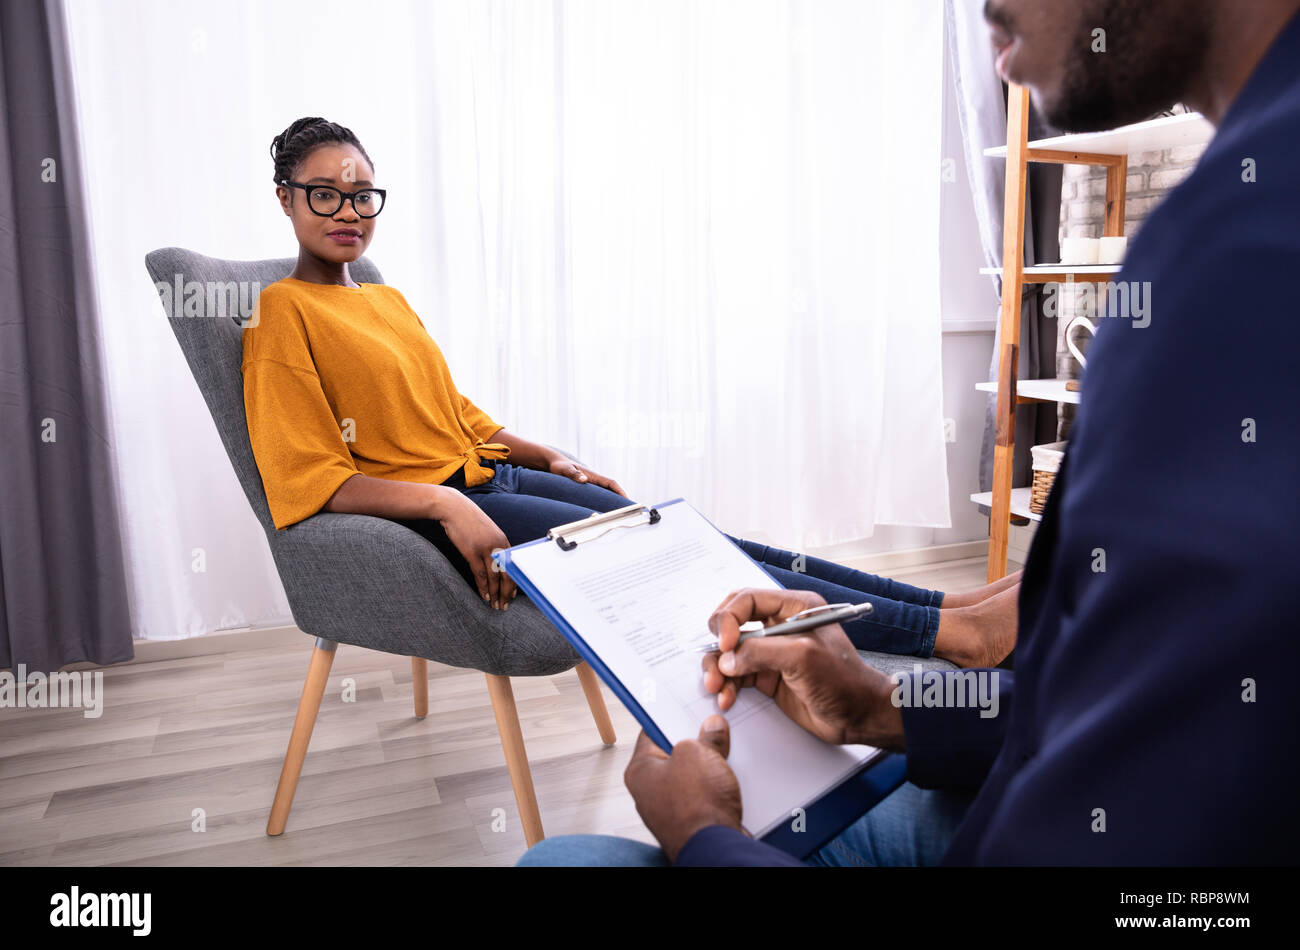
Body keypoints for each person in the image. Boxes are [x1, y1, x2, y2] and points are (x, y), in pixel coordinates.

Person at [517, 0, 1300, 867]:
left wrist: (709, 841)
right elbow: (1116, 716)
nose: (982, 15)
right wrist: (880, 708)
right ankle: (956, 632)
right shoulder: (1239, 216)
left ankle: (957, 632)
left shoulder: (1241, 260)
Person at [241, 117, 1021, 670]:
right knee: (695, 561)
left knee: (706, 537)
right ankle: (950, 637)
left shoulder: (383, 298)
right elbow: (310, 479)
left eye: (364, 195)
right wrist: (447, 506)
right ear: (287, 199)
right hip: (455, 502)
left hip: (494, 477)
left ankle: (943, 610)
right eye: (325, 195)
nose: (349, 213)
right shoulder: (283, 311)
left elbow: (454, 417)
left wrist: (551, 454)